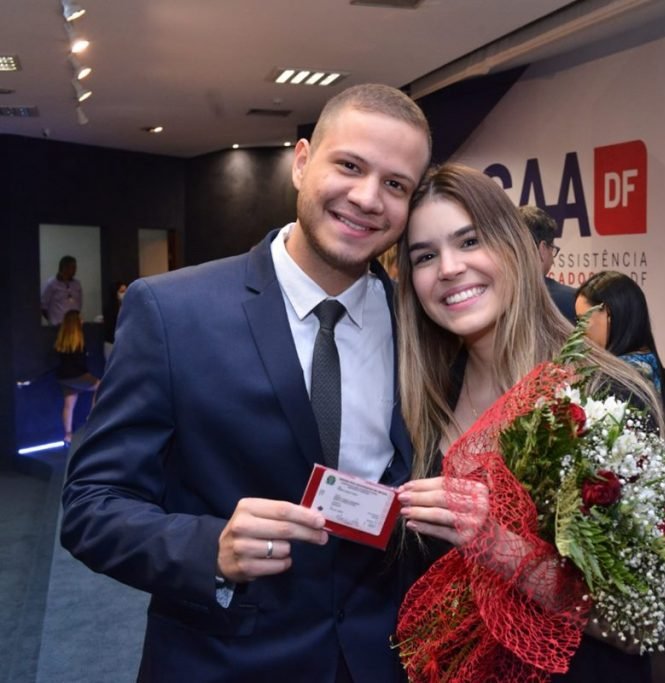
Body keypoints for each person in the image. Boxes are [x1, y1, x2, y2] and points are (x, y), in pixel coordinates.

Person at [61, 84, 432, 683]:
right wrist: (210, 548)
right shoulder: (173, 311)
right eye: (349, 166)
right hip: (225, 659)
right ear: (302, 162)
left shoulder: (420, 326)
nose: (368, 198)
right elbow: (91, 507)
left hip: (381, 659)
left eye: (395, 184)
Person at [394, 163, 664, 681]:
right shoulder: (423, 399)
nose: (448, 268)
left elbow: (638, 623)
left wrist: (497, 543)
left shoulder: (601, 391)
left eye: (469, 241)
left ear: (514, 246)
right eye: (424, 256)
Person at [575, 270, 665, 399]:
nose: (578, 331)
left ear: (608, 315)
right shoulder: (642, 364)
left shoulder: (623, 379)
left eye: (583, 320)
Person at [520, 205, 577, 323]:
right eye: (552, 248)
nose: (553, 260)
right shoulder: (572, 301)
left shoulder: (493, 297)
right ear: (542, 249)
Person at [54, 309, 100, 445]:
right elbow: (79, 365)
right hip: (76, 375)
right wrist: (87, 375)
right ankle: (92, 420)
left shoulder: (62, 340)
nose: (83, 321)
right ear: (76, 322)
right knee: (101, 386)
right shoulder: (78, 340)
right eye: (80, 319)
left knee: (69, 404)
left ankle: (68, 436)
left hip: (63, 376)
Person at [41, 255, 83, 326]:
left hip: (73, 326)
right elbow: (43, 306)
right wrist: (52, 321)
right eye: (73, 267)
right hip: (57, 325)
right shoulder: (51, 283)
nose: (75, 270)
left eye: (75, 267)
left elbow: (79, 304)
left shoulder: (77, 284)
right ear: (64, 268)